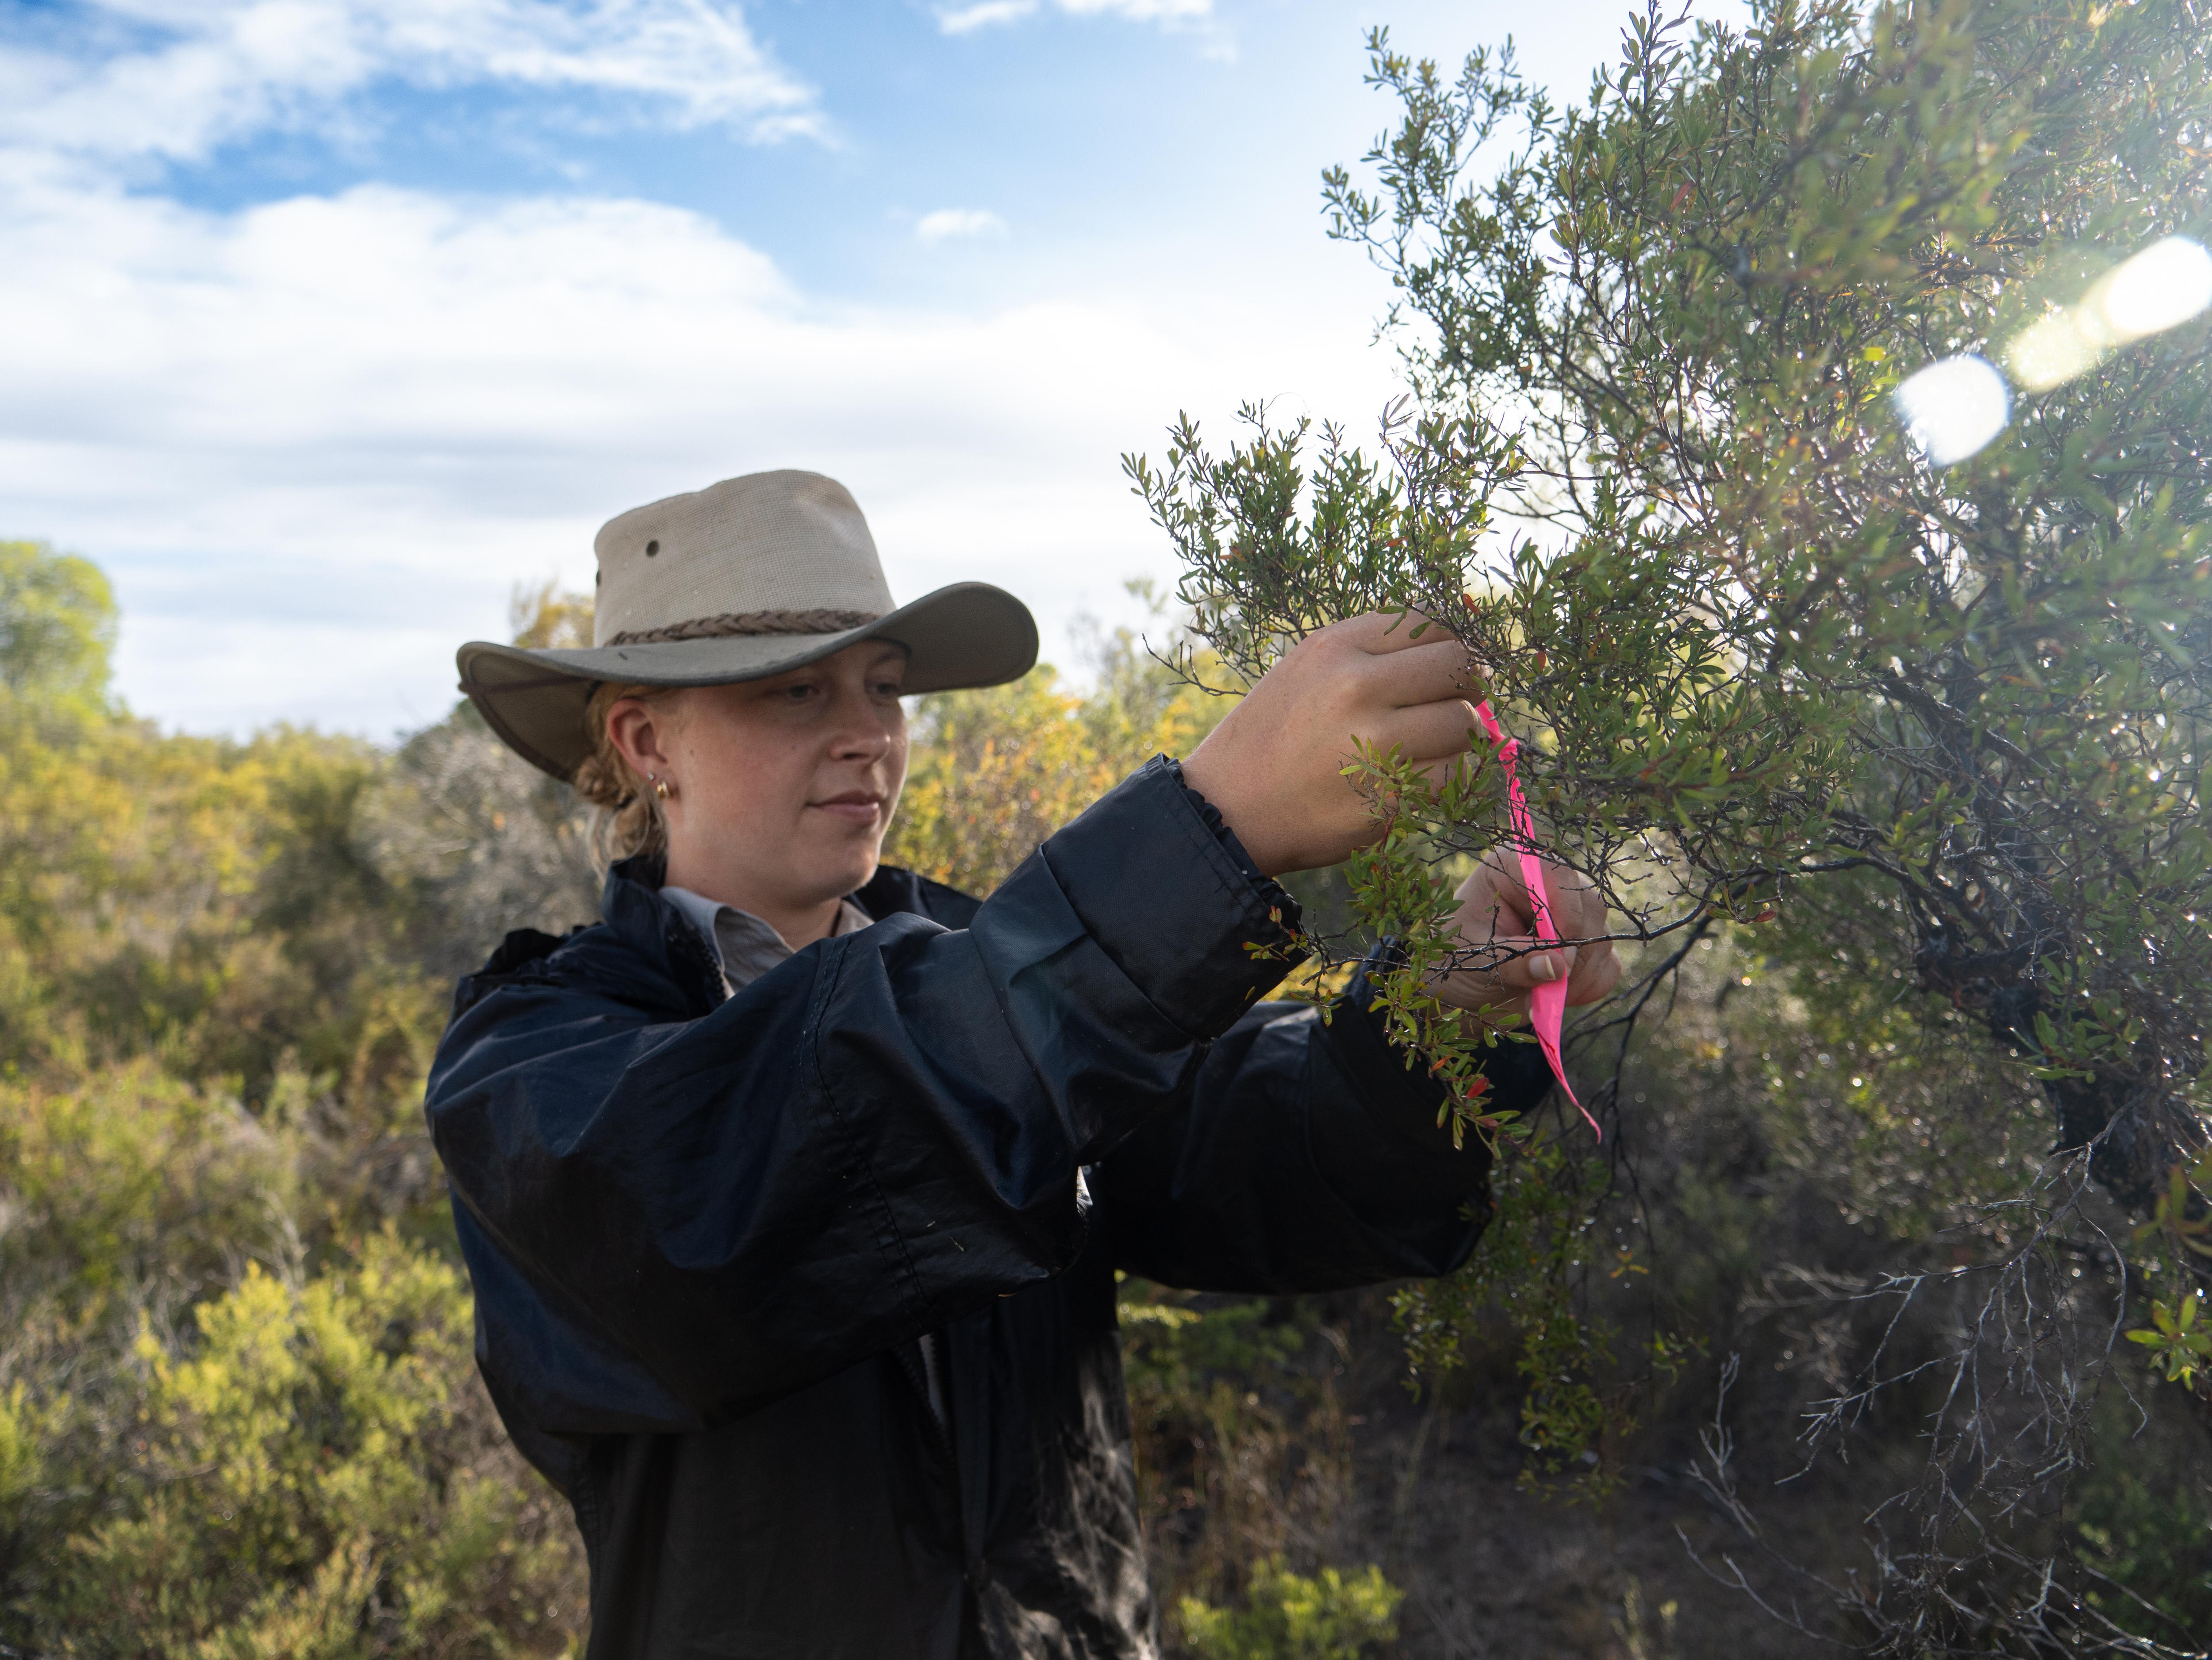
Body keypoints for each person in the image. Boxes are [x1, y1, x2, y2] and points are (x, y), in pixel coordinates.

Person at [429, 469, 1618, 1660]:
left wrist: (1440, 1013)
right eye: (798, 689)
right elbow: (724, 1201)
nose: (869, 735)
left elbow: (1251, 1146)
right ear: (646, 741)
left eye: (883, 688)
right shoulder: (536, 1060)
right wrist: (1211, 829)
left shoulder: (982, 980)